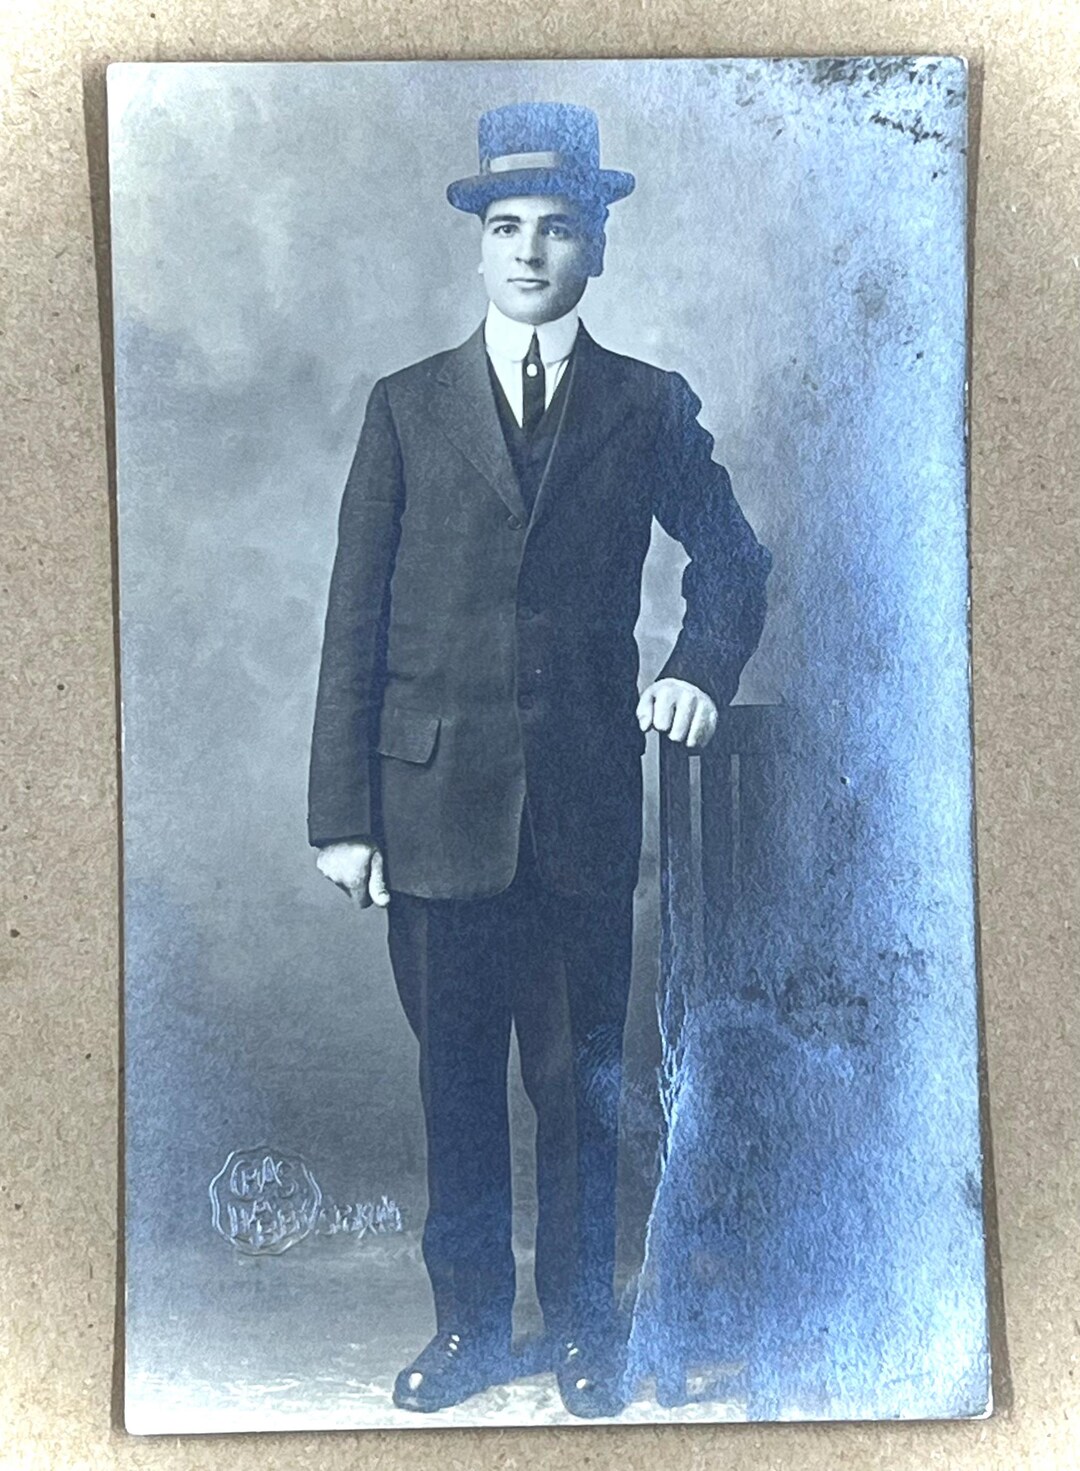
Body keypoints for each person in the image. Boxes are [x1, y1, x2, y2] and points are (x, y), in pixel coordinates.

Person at [308, 101, 771, 1418]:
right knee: (455, 1085)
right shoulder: (405, 409)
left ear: (600, 249)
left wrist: (696, 671)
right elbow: (356, 614)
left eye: (559, 229)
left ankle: (582, 1331)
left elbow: (735, 562)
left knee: (580, 1089)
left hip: (577, 811)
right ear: (477, 246)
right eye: (506, 228)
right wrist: (343, 814)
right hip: (431, 808)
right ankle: (469, 1332)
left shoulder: (646, 406)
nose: (529, 253)